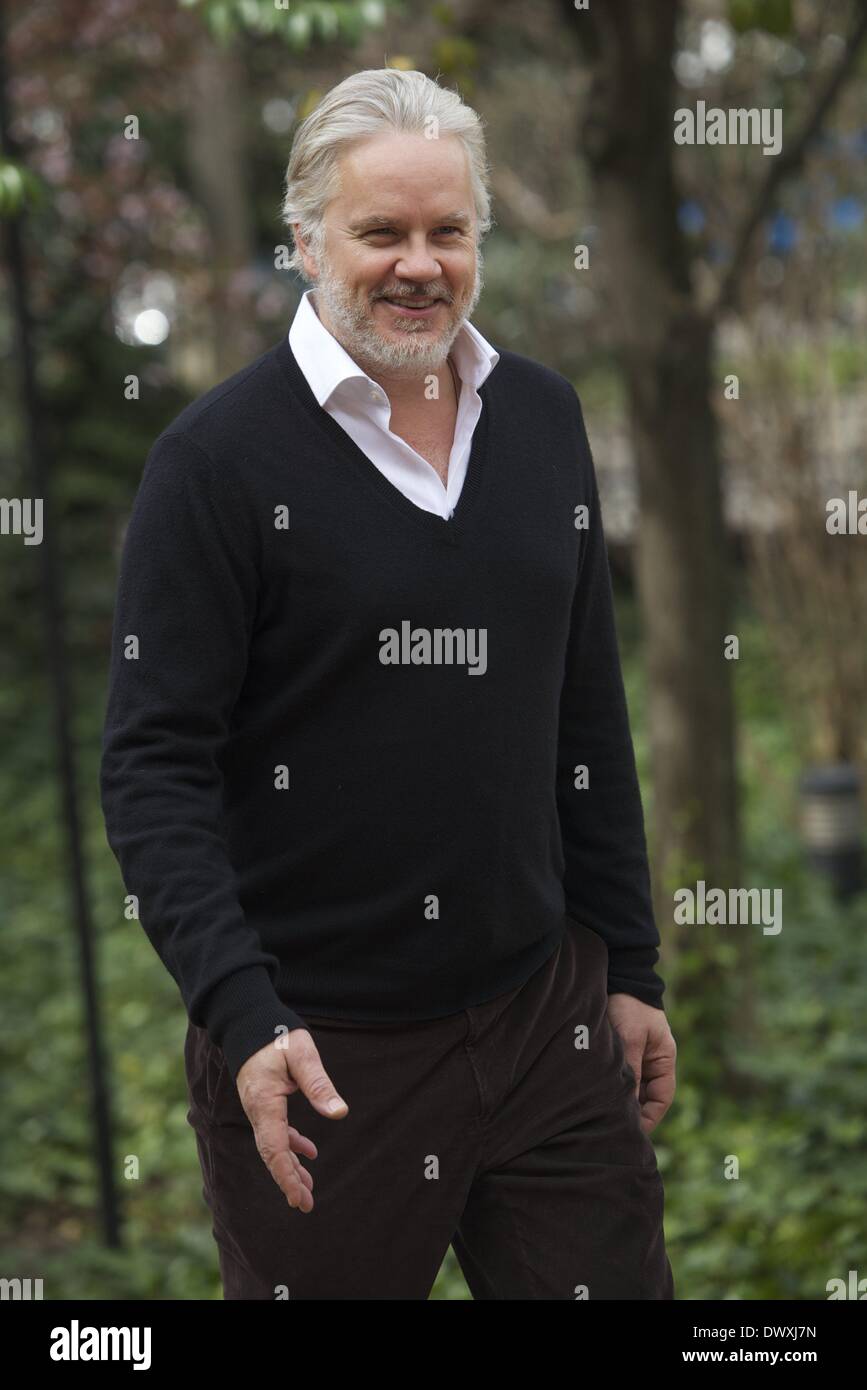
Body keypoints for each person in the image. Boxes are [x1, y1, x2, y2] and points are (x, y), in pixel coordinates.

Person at [100, 66, 677, 1300]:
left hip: (543, 1021)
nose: (419, 264)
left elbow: (585, 712)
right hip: (319, 1057)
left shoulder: (542, 419)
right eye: (381, 233)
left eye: (446, 231)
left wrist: (628, 967)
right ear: (307, 242)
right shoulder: (214, 463)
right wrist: (243, 1015)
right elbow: (154, 766)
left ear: (479, 239)